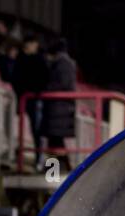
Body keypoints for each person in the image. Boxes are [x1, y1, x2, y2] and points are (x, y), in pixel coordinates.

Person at [41, 38, 78, 174]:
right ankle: (60, 171)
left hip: (58, 109)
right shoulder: (67, 63)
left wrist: (46, 89)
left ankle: (55, 172)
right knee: (56, 142)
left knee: (55, 143)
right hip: (60, 110)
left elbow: (62, 84)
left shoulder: (62, 64)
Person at [12, 37, 48, 170]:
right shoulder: (23, 59)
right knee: (32, 129)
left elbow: (44, 78)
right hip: (26, 98)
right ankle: (38, 159)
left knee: (37, 130)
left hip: (33, 98)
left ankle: (41, 160)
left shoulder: (38, 59)